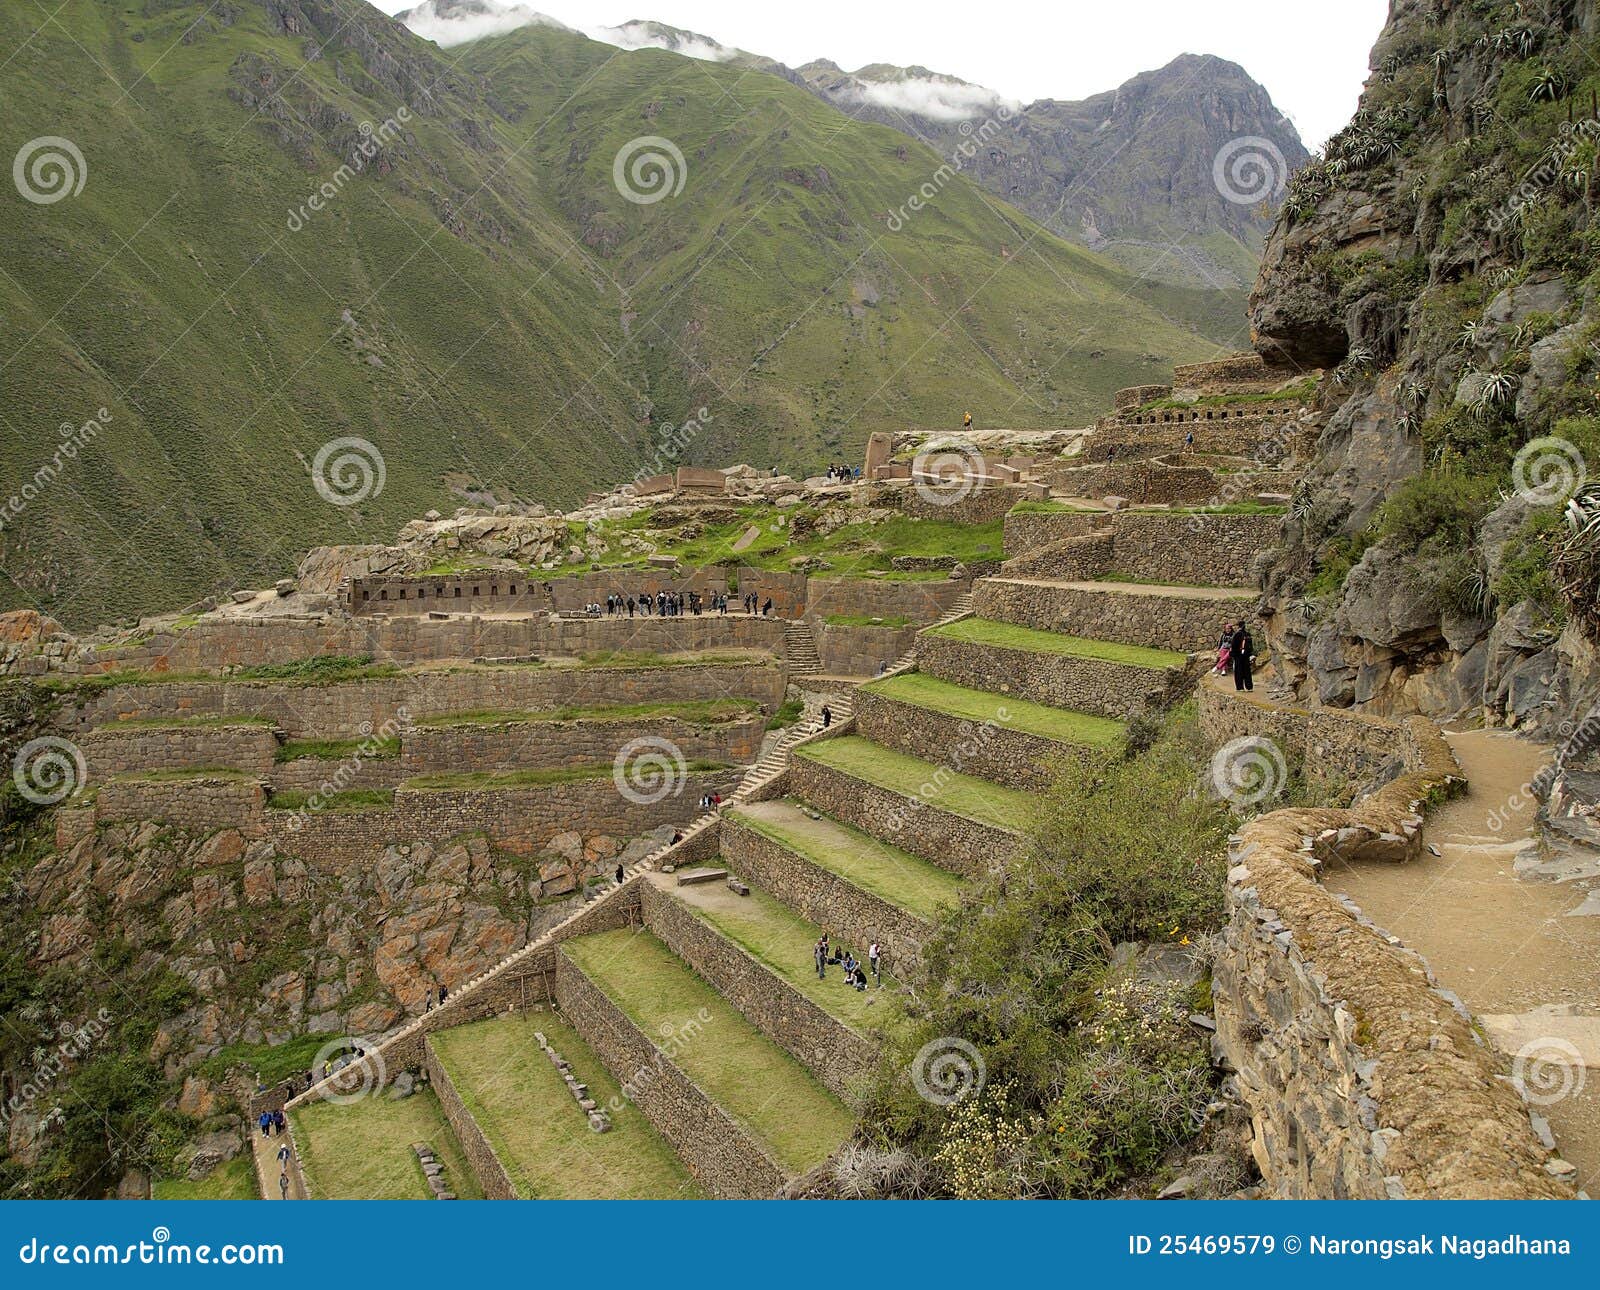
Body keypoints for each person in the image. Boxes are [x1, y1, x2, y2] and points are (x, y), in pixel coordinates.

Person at [1229, 622, 1255, 692]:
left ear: (1238, 626)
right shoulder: (1247, 634)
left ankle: (1240, 687)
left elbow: (1233, 645)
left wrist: (1232, 654)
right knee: (1247, 671)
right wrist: (1250, 654)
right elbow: (1250, 646)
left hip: (1238, 655)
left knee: (1238, 671)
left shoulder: (1237, 634)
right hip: (1246, 655)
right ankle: (1249, 687)